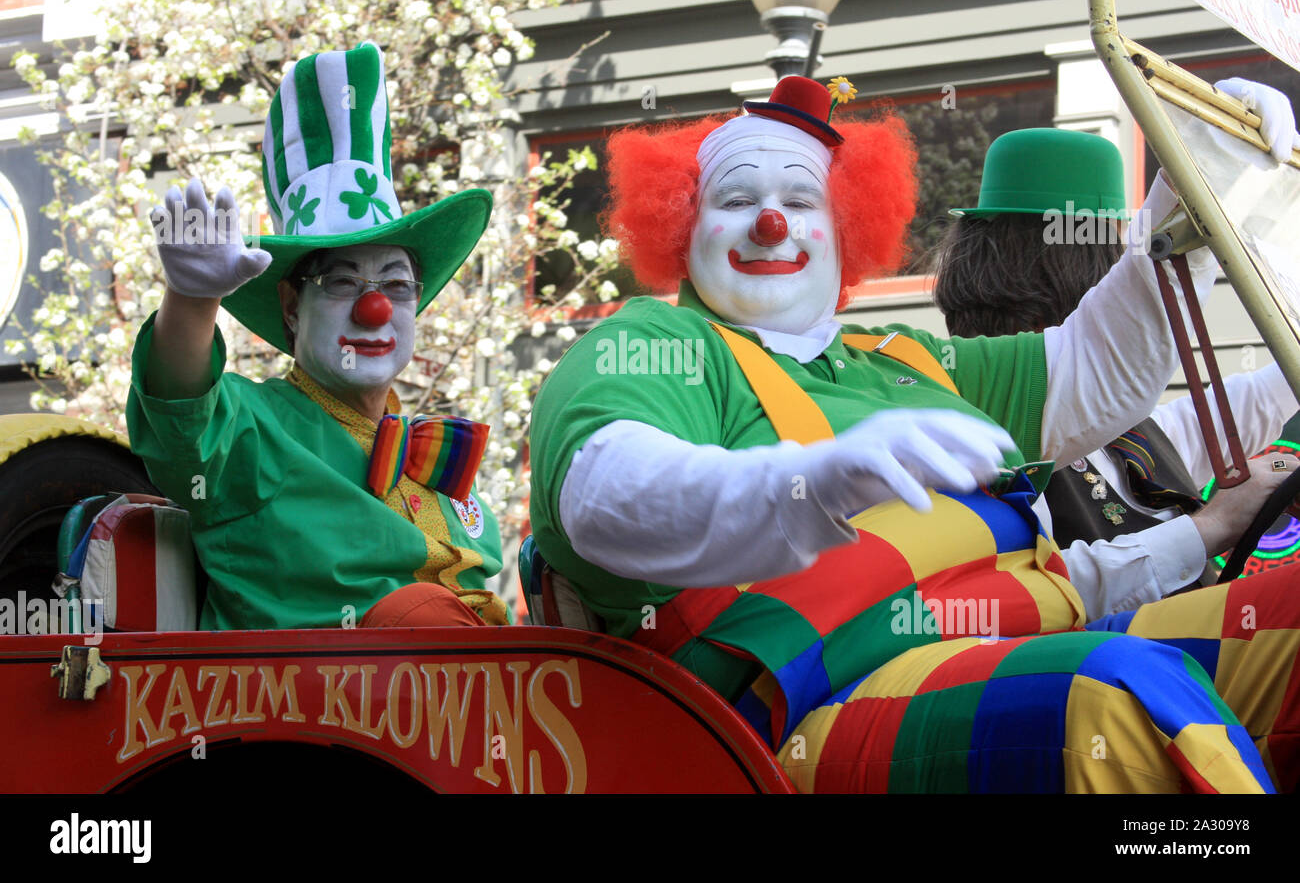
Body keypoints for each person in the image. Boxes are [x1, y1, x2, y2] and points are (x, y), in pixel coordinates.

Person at [529, 74, 1300, 792]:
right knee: (1113, 697)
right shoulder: (656, 346)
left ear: (842, 224)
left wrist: (1198, 183)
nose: (773, 224)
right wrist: (807, 484)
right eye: (737, 199)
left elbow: (1099, 370)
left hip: (1027, 624)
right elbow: (604, 493)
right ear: (682, 222)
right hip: (789, 715)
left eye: (802, 200)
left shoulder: (909, 358)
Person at [127, 42, 509, 631]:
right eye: (340, 281)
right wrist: (193, 299)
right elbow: (182, 414)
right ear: (290, 306)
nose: (375, 307)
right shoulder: (251, 432)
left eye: (396, 283)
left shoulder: (442, 465)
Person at [932, 125, 1300, 617]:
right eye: (1116, 255)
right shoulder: (970, 439)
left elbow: (1243, 405)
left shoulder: (1132, 432)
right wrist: (1210, 527)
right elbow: (1023, 596)